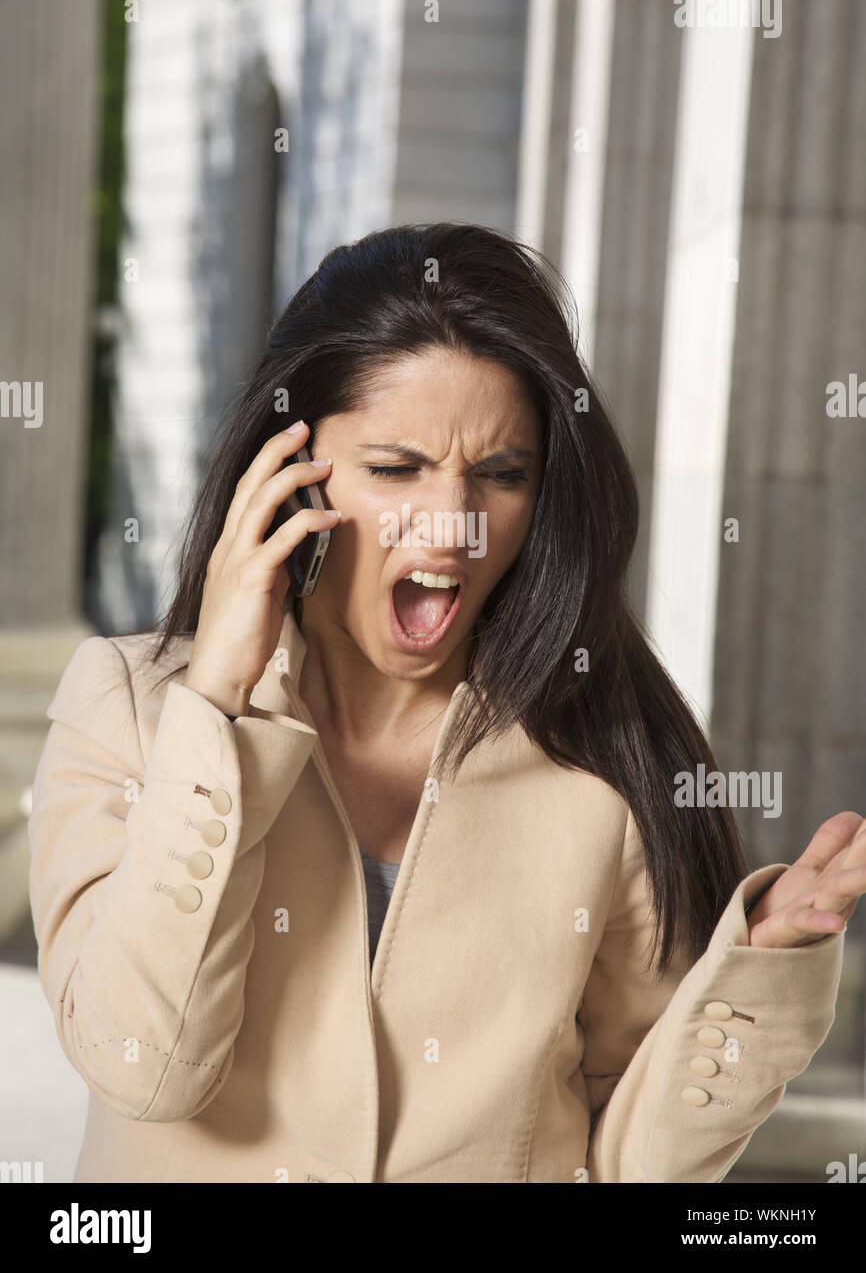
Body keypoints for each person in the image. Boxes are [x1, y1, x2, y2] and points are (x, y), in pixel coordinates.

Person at [28, 222, 863, 1184]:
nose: (453, 521)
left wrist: (762, 969)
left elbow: (635, 1167)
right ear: (286, 477)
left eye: (502, 475)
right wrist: (215, 710)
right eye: (395, 469)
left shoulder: (611, 766)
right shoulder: (127, 710)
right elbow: (146, 1072)